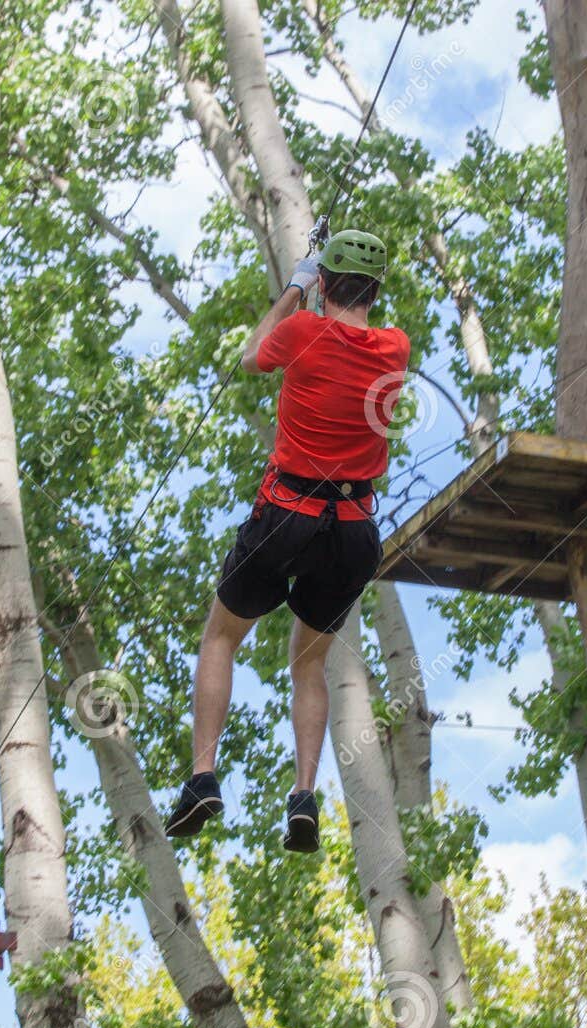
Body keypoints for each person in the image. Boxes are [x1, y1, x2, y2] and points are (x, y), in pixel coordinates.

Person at [164, 229, 407, 853]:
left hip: (286, 514)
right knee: (309, 663)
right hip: (353, 533)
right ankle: (303, 794)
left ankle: (202, 777)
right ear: (375, 291)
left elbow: (251, 356)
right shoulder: (394, 348)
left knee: (221, 636)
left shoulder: (301, 331)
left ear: (326, 283)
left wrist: (294, 287)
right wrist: (317, 285)